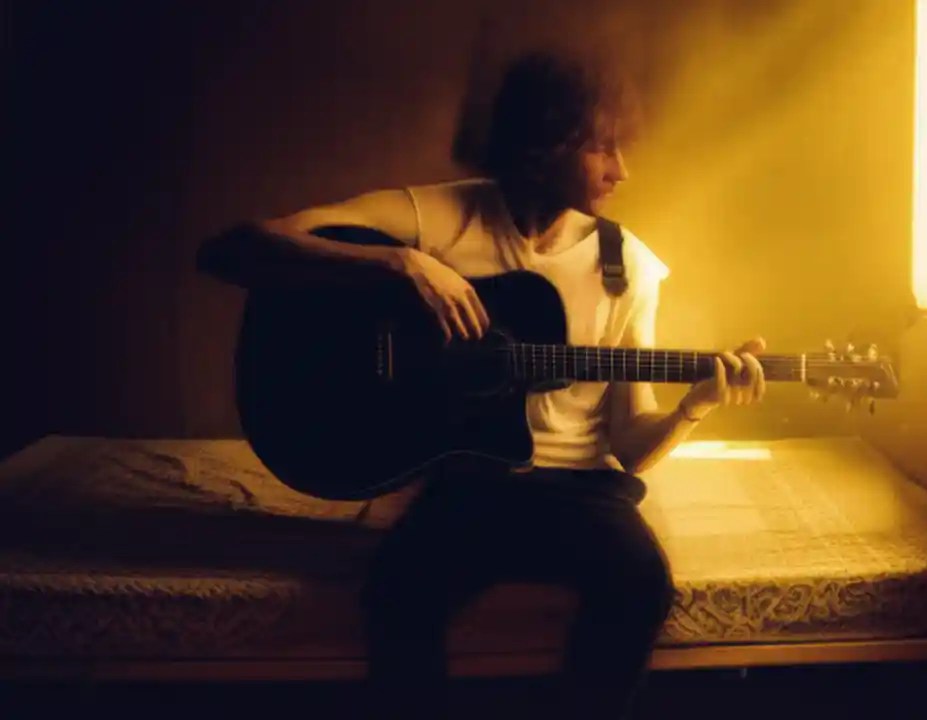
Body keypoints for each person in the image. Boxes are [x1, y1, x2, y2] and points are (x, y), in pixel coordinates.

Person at [197, 49, 767, 719]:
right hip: (468, 483)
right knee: (395, 595)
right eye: (601, 147)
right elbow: (234, 249)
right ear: (545, 142)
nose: (622, 170)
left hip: (578, 492)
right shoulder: (441, 219)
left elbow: (631, 444)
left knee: (641, 582)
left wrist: (695, 408)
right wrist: (401, 264)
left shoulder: (628, 267)